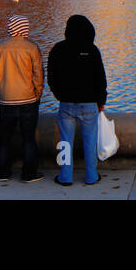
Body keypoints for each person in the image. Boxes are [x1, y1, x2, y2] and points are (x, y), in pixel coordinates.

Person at [47, 14, 108, 186]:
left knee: (65, 142)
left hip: (66, 103)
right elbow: (100, 79)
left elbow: (51, 77)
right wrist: (101, 100)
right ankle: (92, 176)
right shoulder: (92, 50)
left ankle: (65, 176)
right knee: (90, 141)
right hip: (89, 103)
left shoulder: (58, 49)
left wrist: (58, 94)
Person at [0, 15, 44, 182]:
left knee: (5, 138)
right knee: (28, 138)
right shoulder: (31, 48)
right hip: (28, 98)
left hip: (7, 99)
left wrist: (0, 91)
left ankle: (2, 172)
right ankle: (29, 173)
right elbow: (38, 75)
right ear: (25, 28)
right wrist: (38, 93)